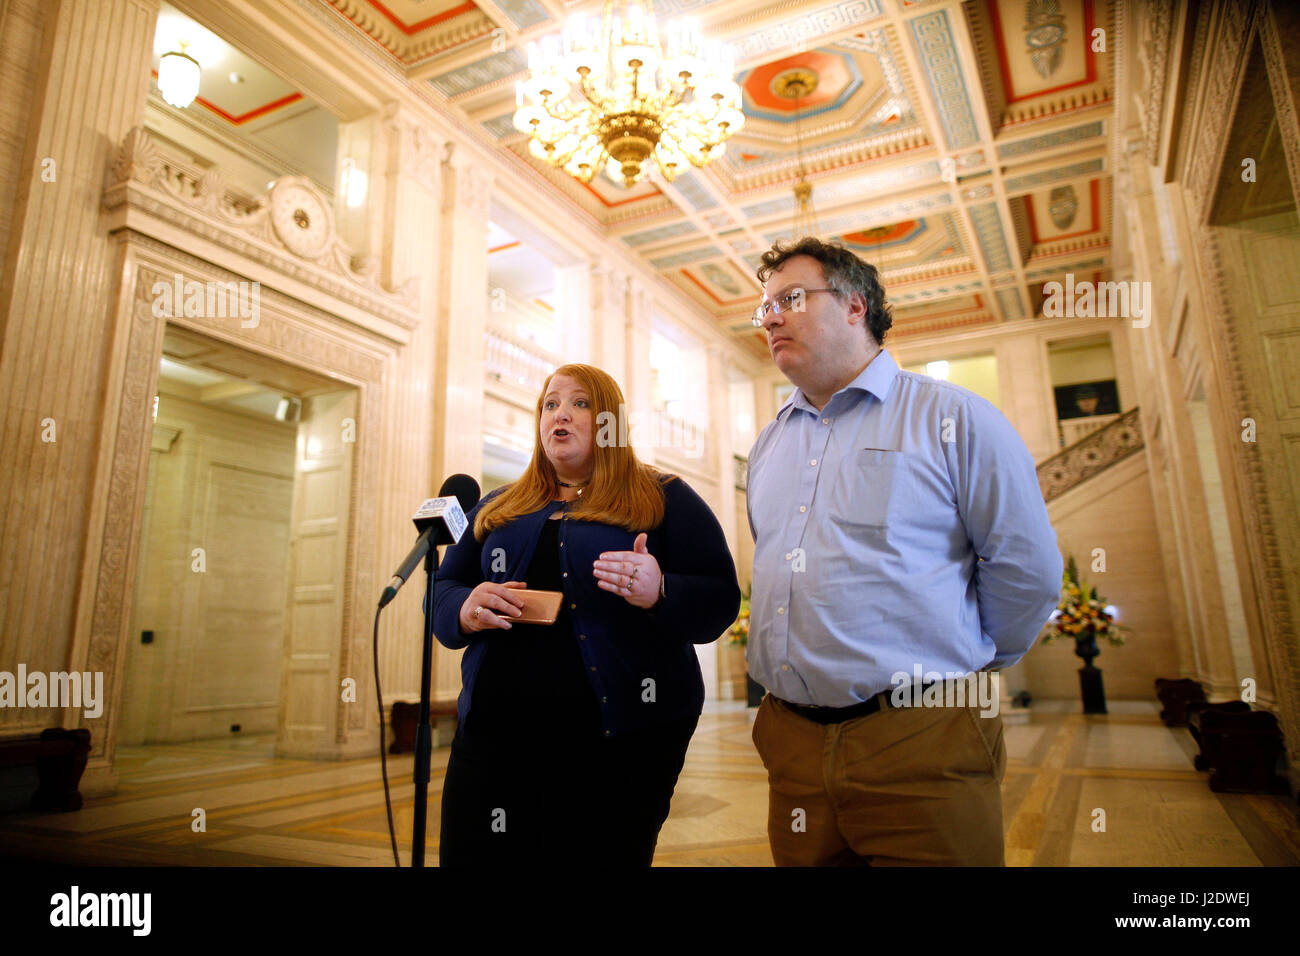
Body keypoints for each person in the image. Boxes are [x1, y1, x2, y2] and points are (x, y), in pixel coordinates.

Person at [745, 237, 1062, 866]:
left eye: (791, 299)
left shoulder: (955, 418)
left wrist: (959, 671)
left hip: (923, 737)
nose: (771, 318)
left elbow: (1026, 573)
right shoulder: (768, 444)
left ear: (856, 306)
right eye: (765, 309)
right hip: (792, 746)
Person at [433, 362, 740, 867]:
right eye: (551, 404)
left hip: (618, 745)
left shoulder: (660, 497)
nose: (561, 414)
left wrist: (660, 588)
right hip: (495, 741)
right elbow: (445, 587)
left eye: (580, 403)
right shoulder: (498, 506)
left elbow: (719, 599)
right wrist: (464, 608)